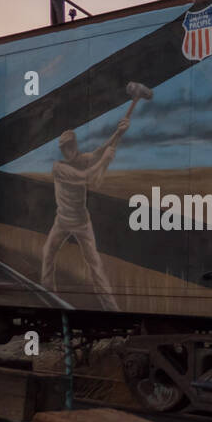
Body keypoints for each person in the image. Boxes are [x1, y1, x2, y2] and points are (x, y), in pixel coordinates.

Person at [40, 116, 130, 309]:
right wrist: (105, 160)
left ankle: (111, 308)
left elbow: (98, 152)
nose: (68, 149)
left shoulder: (82, 159)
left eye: (71, 145)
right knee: (48, 253)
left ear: (75, 145)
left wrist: (118, 133)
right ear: (62, 150)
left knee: (95, 266)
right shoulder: (59, 168)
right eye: (65, 147)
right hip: (62, 221)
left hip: (82, 222)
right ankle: (48, 294)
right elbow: (86, 177)